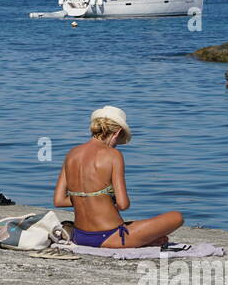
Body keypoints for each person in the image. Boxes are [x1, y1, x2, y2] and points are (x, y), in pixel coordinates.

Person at [52, 106, 183, 248]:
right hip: (109, 236)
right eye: (119, 140)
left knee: (138, 227)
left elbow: (59, 201)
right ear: (117, 132)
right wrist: (103, 200)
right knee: (176, 217)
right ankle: (141, 242)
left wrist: (91, 200)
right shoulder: (113, 155)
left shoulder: (72, 154)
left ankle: (144, 242)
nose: (116, 145)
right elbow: (123, 204)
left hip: (80, 236)